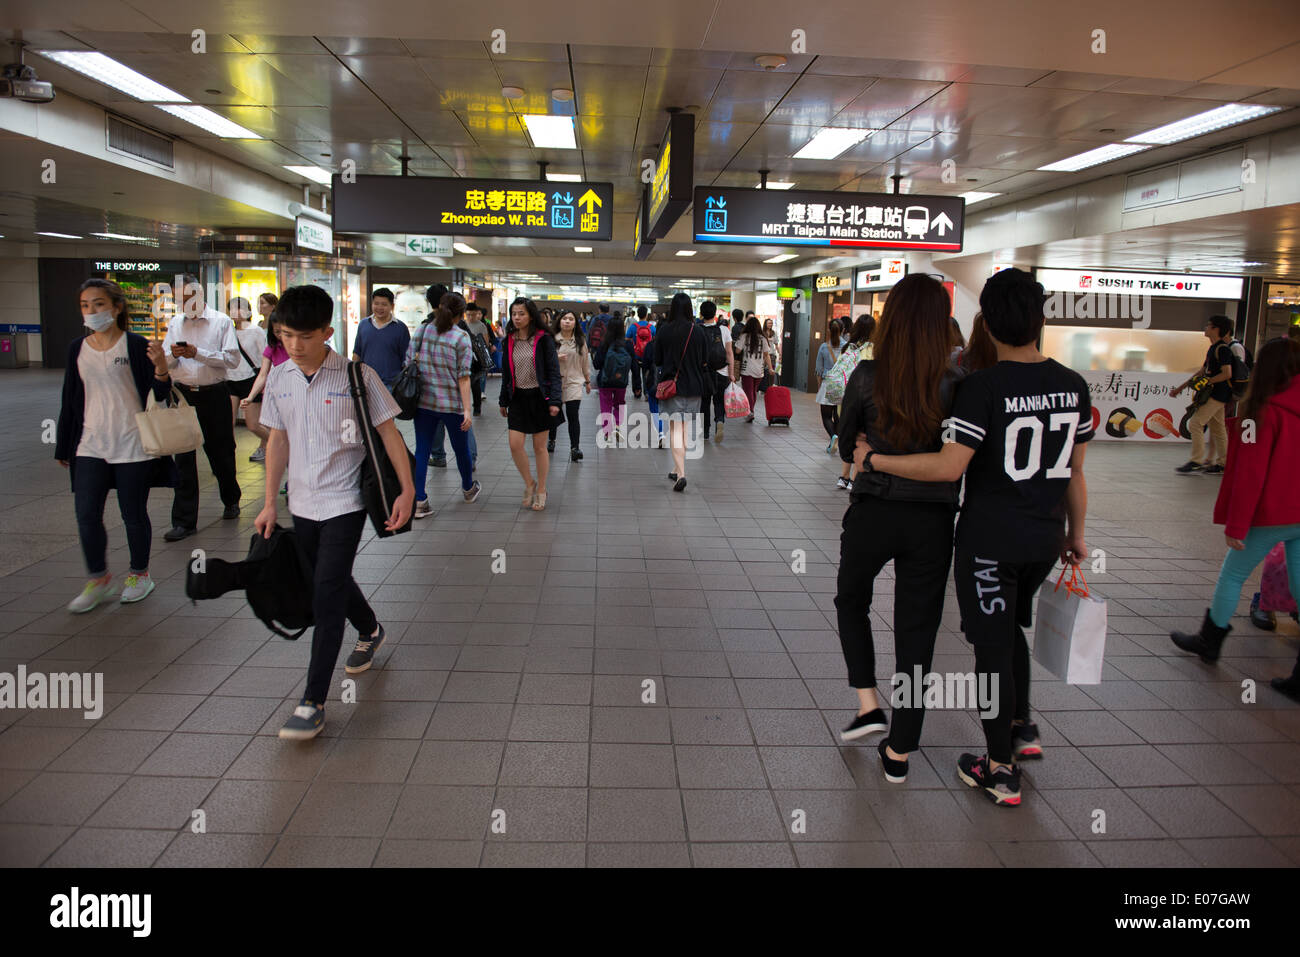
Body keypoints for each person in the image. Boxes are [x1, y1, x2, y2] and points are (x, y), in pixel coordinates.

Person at [858, 268, 1092, 807]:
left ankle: (1000, 769)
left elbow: (947, 467)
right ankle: (1021, 729)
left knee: (990, 648)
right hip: (1044, 539)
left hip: (990, 542)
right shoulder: (1072, 385)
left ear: (986, 323)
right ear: (1039, 320)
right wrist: (1077, 535)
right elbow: (1076, 472)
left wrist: (877, 459)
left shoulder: (983, 388)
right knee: (1010, 633)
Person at [255, 285, 413, 739]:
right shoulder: (280, 380)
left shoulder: (356, 376)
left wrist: (406, 491)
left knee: (325, 595)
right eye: (285, 335)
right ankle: (371, 627)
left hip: (346, 502)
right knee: (333, 580)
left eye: (304, 336)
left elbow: (389, 436)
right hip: (300, 503)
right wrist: (269, 502)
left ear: (327, 332)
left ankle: (312, 702)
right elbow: (277, 441)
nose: (294, 345)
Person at [833, 275, 965, 781]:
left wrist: (872, 454)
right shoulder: (957, 386)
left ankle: (868, 702)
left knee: (852, 601)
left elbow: (848, 448)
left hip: (874, 511)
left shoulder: (867, 375)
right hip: (933, 521)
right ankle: (901, 750)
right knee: (917, 632)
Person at [1170, 336, 1300, 664]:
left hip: (1273, 514)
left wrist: (1237, 524)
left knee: (1233, 575)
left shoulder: (1259, 414)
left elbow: (1250, 475)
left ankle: (1209, 641)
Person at [55, 278, 177, 612]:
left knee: (133, 514)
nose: (91, 311)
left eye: (98, 304)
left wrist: (163, 369)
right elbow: (70, 400)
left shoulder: (135, 345)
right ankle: (99, 579)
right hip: (91, 444)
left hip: (132, 443)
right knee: (86, 515)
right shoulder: (76, 350)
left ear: (116, 307)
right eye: (85, 305)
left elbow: (160, 393)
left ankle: (139, 574)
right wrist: (63, 446)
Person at [160, 273, 241, 542]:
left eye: (188, 297)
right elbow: (165, 363)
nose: (184, 303)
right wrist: (173, 355)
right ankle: (184, 521)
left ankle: (230, 498)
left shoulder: (222, 322)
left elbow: (231, 360)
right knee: (183, 459)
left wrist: (198, 353)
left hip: (214, 394)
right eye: (179, 299)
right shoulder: (174, 323)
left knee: (221, 453)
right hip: (183, 397)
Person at [408, 292, 482, 517]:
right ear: (460, 315)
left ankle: (419, 501)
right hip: (453, 405)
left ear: (438, 308)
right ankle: (468, 489)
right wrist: (468, 410)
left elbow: (409, 360)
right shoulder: (460, 337)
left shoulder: (423, 329)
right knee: (461, 450)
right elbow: (464, 376)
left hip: (424, 403)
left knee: (422, 451)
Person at [500, 296, 562, 511]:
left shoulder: (543, 339)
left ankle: (542, 489)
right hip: (518, 398)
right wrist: (503, 400)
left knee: (539, 447)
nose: (516, 318)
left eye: (521, 314)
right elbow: (506, 373)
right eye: (514, 314)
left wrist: (555, 400)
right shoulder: (508, 339)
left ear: (531, 315)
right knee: (514, 444)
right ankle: (529, 483)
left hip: (539, 398)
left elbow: (554, 372)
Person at [653, 292, 710, 492]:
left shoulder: (665, 330)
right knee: (684, 429)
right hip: (694, 388)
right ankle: (677, 469)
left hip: (672, 388)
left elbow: (657, 359)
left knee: (675, 430)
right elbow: (705, 360)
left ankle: (682, 474)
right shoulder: (699, 331)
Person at [1170, 315, 1237, 475]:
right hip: (1216, 394)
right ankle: (1223, 463)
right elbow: (1202, 372)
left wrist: (1209, 381)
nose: (1205, 328)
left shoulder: (1223, 349)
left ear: (1217, 329)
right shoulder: (1213, 348)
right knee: (1218, 428)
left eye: (1209, 325)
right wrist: (1180, 388)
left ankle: (1196, 461)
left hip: (1217, 394)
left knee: (1195, 423)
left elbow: (1227, 373)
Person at [423, 284, 477, 470]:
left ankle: (438, 455)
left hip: (432, 387)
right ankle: (471, 457)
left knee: (438, 422)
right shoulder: (458, 324)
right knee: (462, 420)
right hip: (455, 385)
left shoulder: (427, 326)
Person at [835, 315, 877, 490]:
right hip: (867, 399)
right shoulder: (874, 349)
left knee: (849, 433)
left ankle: (843, 476)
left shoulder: (848, 347)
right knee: (862, 436)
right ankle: (854, 477)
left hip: (845, 398)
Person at [226, 297, 267, 457]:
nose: (236, 312)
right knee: (227, 425)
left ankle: (277, 444)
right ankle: (227, 457)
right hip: (230, 380)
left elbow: (265, 357)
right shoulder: (228, 330)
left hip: (250, 380)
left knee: (253, 425)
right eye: (232, 308)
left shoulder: (255, 331)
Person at [549, 310, 590, 461]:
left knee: (573, 415)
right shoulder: (552, 339)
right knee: (553, 413)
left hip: (574, 382)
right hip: (555, 383)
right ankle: (552, 439)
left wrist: (587, 381)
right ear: (559, 321)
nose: (567, 321)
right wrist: (555, 356)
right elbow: (543, 359)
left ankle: (575, 448)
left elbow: (585, 362)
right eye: (564, 319)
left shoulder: (580, 341)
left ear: (575, 323)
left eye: (571, 319)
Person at [351, 287, 410, 390]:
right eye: (376, 303)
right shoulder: (363, 325)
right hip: (366, 382)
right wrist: (354, 377)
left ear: (392, 306)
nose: (379, 307)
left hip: (391, 385)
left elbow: (406, 359)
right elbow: (357, 353)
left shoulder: (401, 328)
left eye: (384, 304)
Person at [697, 301, 733, 443]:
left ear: (701, 314)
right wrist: (731, 373)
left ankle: (705, 431)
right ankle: (719, 421)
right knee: (719, 401)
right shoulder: (724, 330)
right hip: (721, 371)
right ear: (715, 313)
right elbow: (729, 352)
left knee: (704, 402)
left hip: (703, 372)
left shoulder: (697, 330)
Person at [593, 317, 632, 443]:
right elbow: (634, 364)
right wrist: (638, 386)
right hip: (621, 381)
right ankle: (618, 426)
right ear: (623, 329)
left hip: (605, 381)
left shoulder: (603, 344)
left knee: (606, 404)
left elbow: (596, 364)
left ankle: (607, 431)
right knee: (620, 403)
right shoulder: (627, 344)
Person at [735, 314, 775, 423]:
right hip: (759, 370)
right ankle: (750, 411)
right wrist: (770, 368)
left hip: (747, 368)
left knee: (748, 391)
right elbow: (767, 355)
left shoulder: (744, 336)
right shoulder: (763, 338)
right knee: (754, 391)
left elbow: (737, 351)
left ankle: (750, 411)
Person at [815, 317, 844, 453]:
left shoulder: (823, 347)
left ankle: (833, 437)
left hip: (828, 383)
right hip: (843, 385)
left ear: (828, 330)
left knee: (826, 416)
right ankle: (836, 438)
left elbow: (819, 370)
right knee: (838, 416)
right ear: (843, 330)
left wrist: (819, 387)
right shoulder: (848, 347)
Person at [464, 300, 496, 414]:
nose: (470, 317)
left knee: (475, 383)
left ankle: (477, 406)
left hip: (476, 359)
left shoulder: (481, 325)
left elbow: (486, 342)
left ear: (477, 313)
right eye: (468, 314)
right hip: (465, 358)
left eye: (472, 314)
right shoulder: (463, 324)